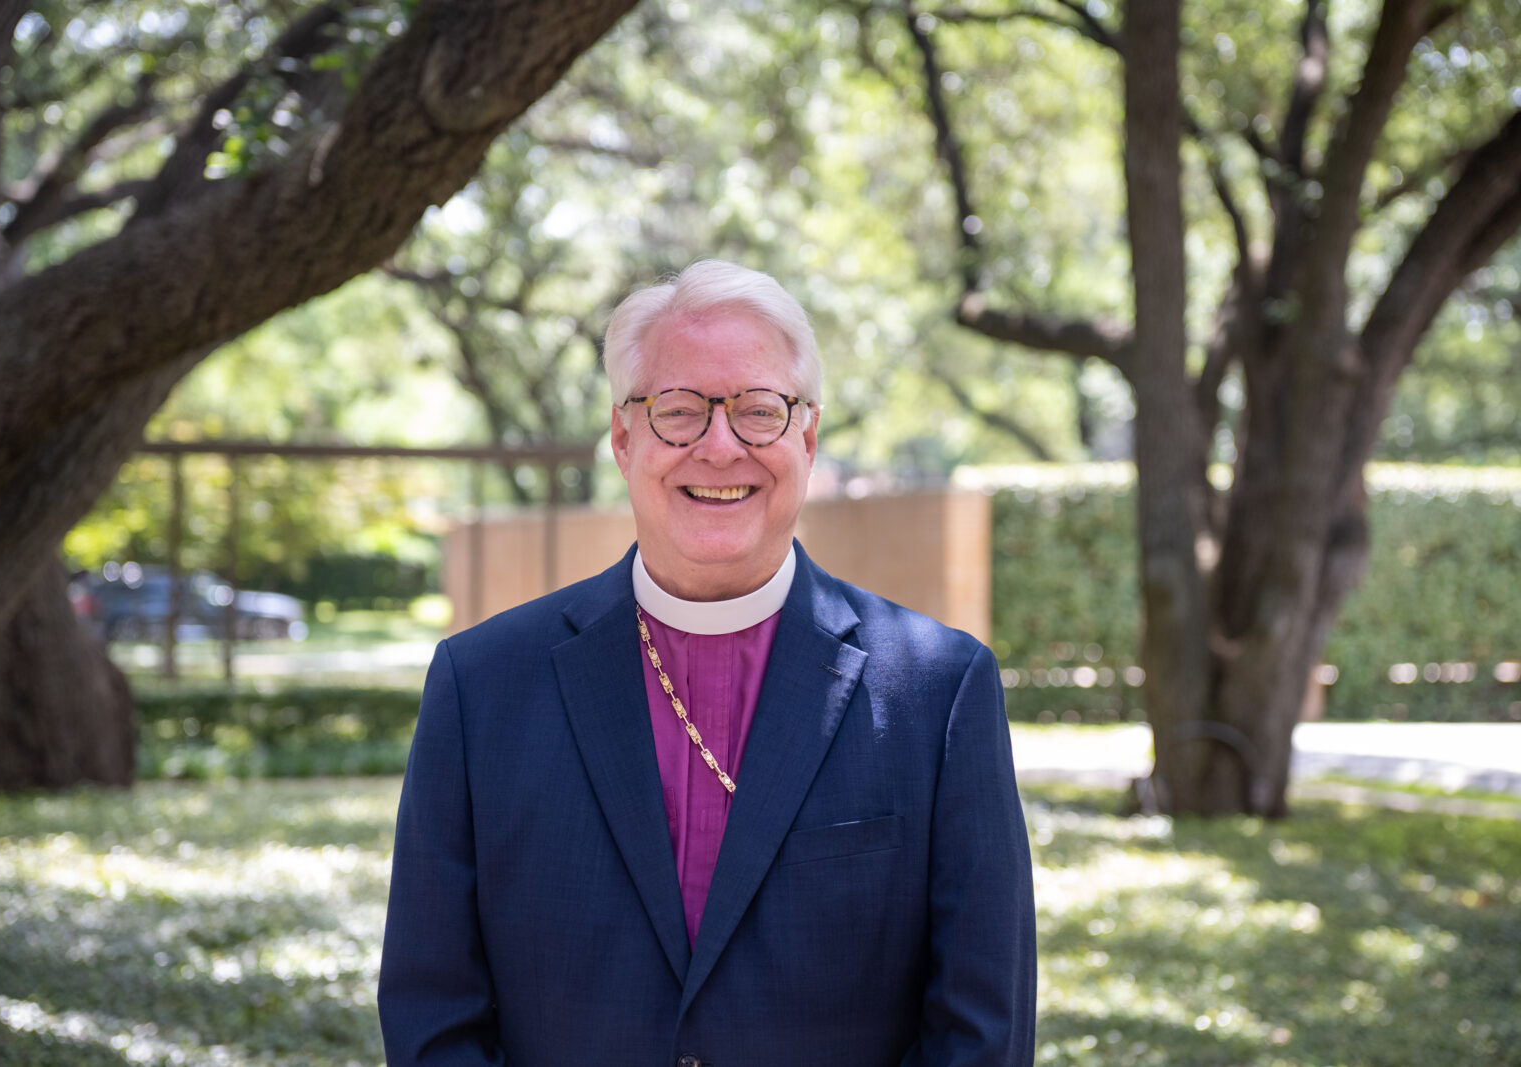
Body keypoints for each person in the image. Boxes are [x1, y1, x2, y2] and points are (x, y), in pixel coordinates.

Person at [378, 260, 1036, 1066]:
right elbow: (432, 1014)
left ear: (808, 437)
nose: (720, 447)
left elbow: (982, 1032)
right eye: (679, 411)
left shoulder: (937, 692)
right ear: (624, 437)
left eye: (759, 411)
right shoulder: (480, 688)